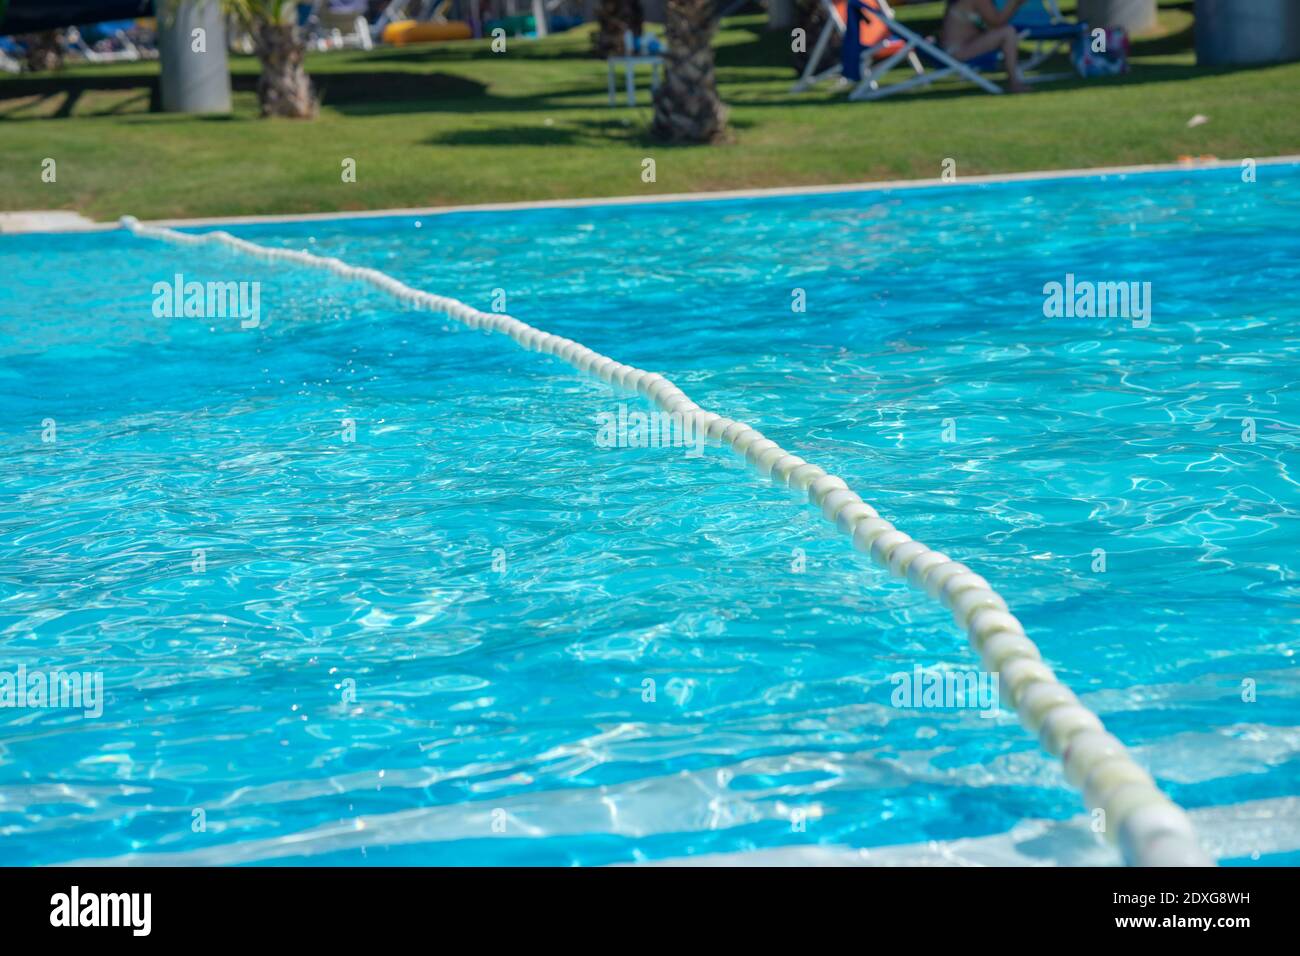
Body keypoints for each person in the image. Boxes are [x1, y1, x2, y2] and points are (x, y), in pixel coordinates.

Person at [940, 0, 1030, 93]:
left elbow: (991, 25)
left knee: (1006, 32)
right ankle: (1014, 83)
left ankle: (1014, 80)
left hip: (952, 51)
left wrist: (1016, 4)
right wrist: (1013, 3)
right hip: (957, 52)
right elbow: (997, 22)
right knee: (1007, 32)